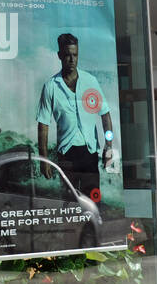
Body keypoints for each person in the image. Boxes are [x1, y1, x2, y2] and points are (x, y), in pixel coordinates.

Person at [36, 33, 114, 203]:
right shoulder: (51, 87)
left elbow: (105, 114)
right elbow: (43, 125)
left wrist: (109, 146)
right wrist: (44, 160)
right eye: (67, 55)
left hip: (90, 153)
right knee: (69, 204)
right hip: (66, 156)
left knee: (93, 204)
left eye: (75, 55)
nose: (71, 59)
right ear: (59, 56)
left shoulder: (91, 81)